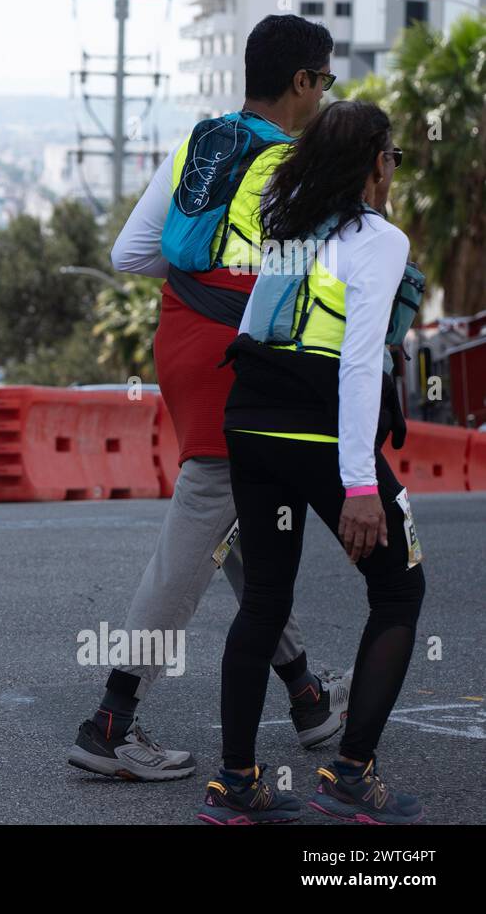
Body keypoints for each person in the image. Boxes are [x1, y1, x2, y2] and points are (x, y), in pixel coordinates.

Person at [68, 15, 349, 782]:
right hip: (243, 362)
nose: (325, 96)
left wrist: (201, 287)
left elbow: (131, 254)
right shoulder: (301, 165)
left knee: (240, 524)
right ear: (301, 81)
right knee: (197, 533)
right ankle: (111, 722)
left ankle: (308, 697)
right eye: (324, 81)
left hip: (181, 342)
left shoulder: (202, 141)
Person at [199, 100, 426, 824]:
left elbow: (254, 324)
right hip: (319, 430)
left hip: (252, 420)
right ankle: (352, 775)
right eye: (391, 157)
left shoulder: (289, 223)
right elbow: (359, 363)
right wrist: (360, 484)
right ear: (371, 164)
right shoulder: (379, 239)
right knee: (399, 589)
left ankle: (236, 785)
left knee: (265, 600)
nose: (393, 171)